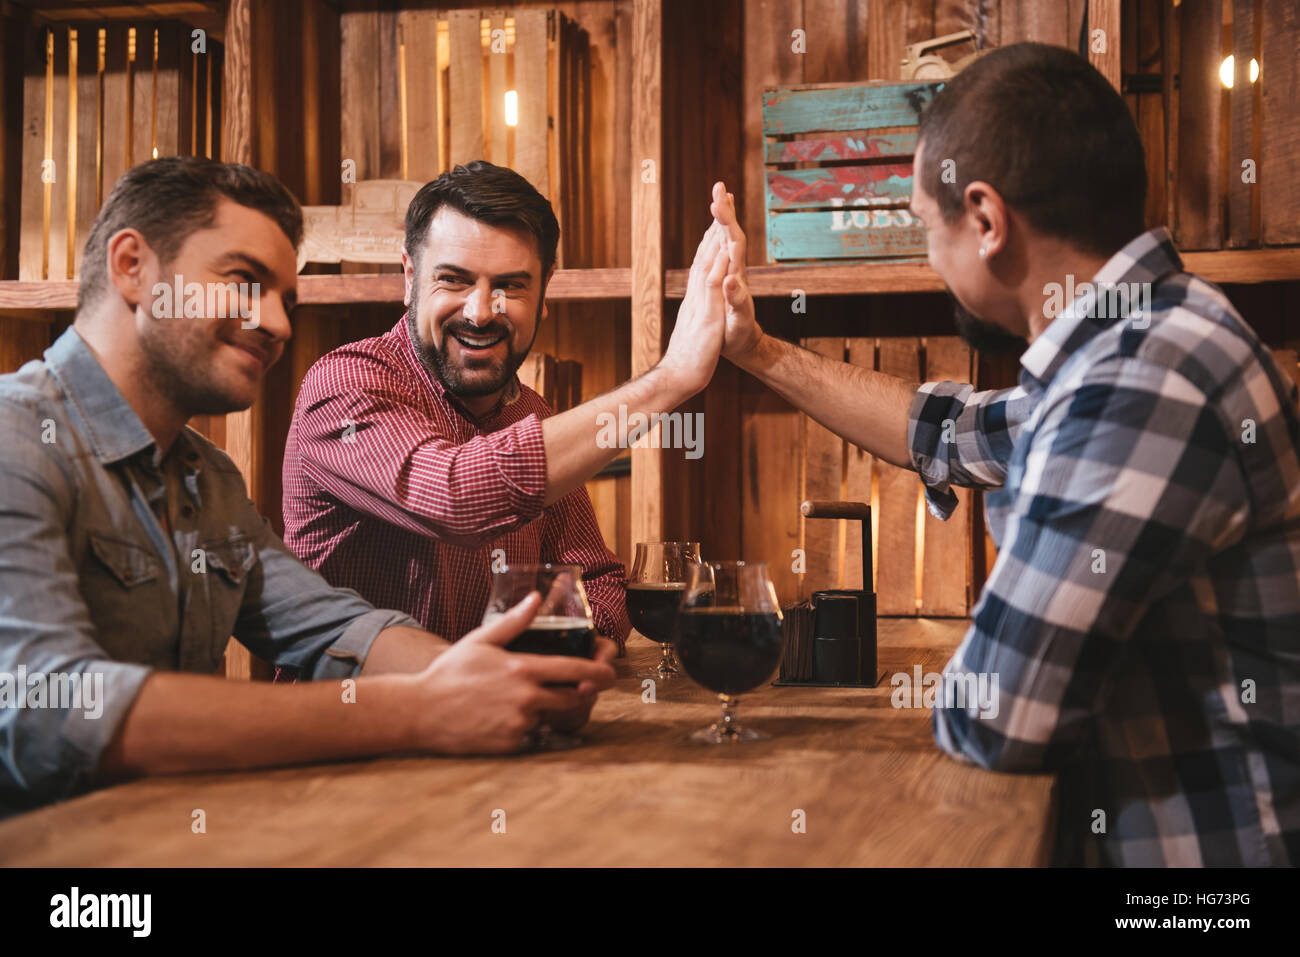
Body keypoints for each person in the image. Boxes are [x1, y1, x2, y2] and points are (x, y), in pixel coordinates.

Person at [708, 43, 1299, 866]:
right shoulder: (1143, 339)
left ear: (986, 220)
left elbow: (997, 713)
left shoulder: (1143, 381)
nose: (927, 258)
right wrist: (756, 349)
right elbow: (950, 432)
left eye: (924, 225)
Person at [0, 155, 728, 814]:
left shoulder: (204, 477)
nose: (278, 323)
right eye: (244, 283)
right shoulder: (13, 438)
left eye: (286, 296)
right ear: (133, 267)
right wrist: (421, 709)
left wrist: (501, 686)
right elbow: (50, 711)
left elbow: (336, 626)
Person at [282, 161, 723, 652]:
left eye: (511, 285)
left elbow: (596, 579)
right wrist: (673, 378)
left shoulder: (531, 413)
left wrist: (588, 638)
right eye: (453, 279)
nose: (480, 311)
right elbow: (455, 498)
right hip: (349, 722)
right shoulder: (346, 383)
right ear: (409, 276)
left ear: (544, 290)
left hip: (499, 721)